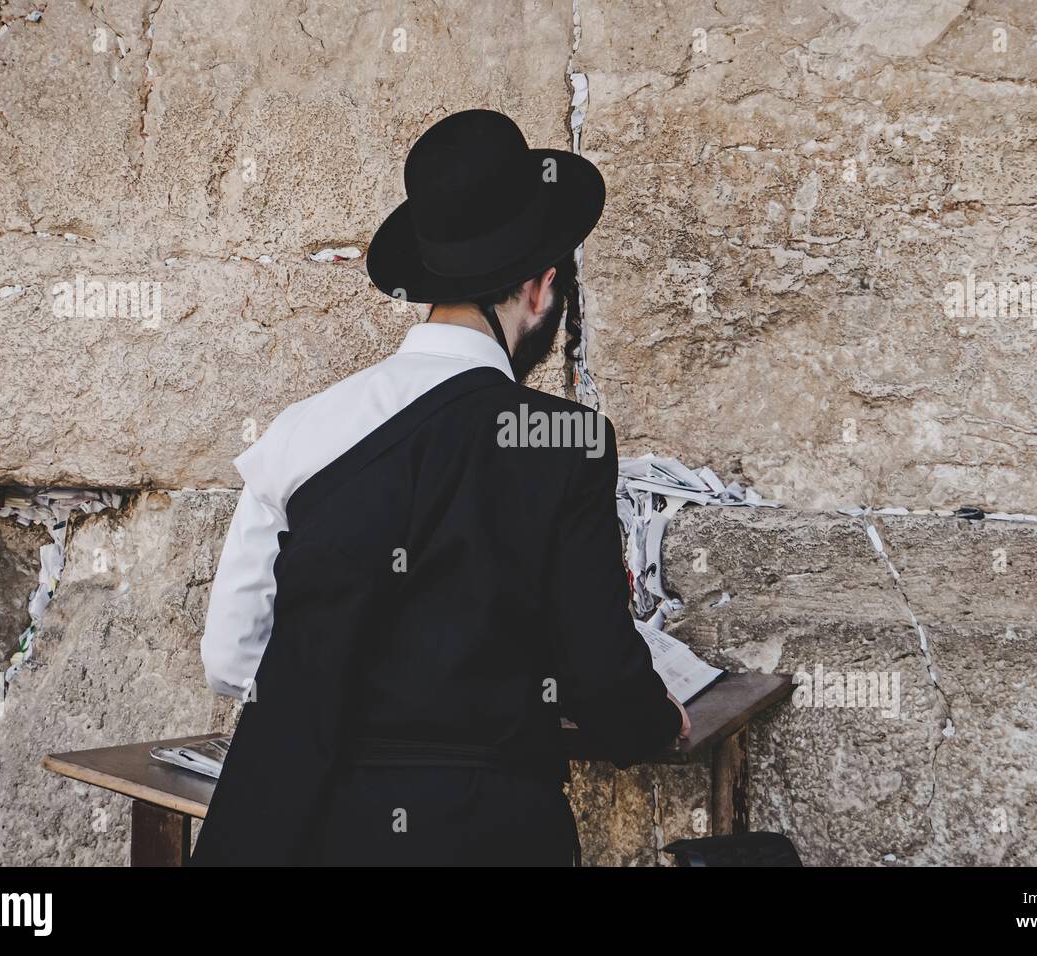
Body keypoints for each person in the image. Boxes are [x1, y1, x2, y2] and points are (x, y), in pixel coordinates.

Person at [190, 109, 688, 866]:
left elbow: (231, 660)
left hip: (300, 823)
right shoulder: (567, 439)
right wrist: (657, 724)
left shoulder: (301, 429)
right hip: (485, 830)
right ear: (542, 287)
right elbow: (599, 672)